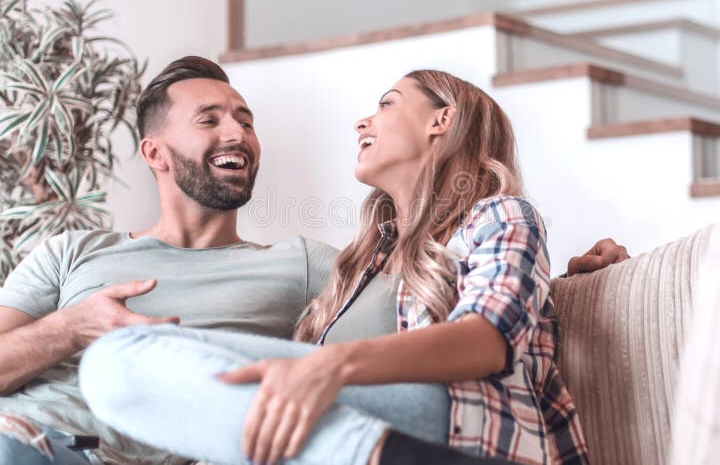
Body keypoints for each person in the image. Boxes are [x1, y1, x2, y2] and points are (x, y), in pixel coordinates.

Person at [78, 66, 629, 465]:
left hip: (461, 425)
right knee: (114, 367)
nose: (363, 120)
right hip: (382, 429)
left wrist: (332, 366)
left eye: (387, 104)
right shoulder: (360, 261)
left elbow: (490, 338)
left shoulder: (499, 215)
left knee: (117, 357)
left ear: (442, 120)